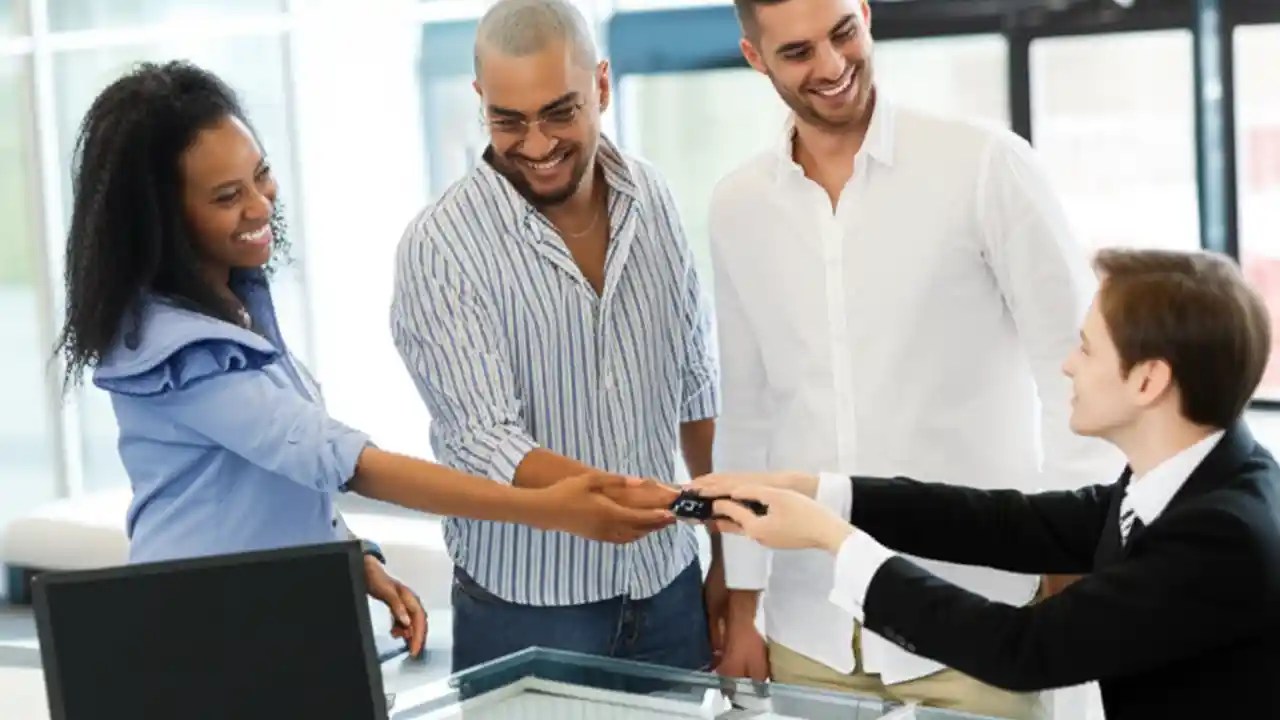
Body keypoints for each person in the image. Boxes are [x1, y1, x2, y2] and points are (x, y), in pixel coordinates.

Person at [54, 61, 676, 661]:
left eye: (261, 174)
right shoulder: (173, 350)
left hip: (276, 618)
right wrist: (551, 510)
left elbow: (274, 481)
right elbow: (340, 460)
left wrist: (352, 556)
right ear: (164, 219)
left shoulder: (232, 304)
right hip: (201, 634)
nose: (261, 205)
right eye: (227, 196)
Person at [707, 0, 1122, 716]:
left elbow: (1078, 372)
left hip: (976, 619)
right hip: (812, 630)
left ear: (866, 13)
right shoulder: (736, 206)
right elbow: (748, 410)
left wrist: (1071, 565)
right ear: (755, 57)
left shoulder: (986, 165)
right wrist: (744, 602)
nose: (833, 67)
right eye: (799, 53)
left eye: (844, 33)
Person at [696, 248, 1280, 719]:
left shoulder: (1221, 534)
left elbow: (1024, 649)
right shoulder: (1195, 474)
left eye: (1086, 347)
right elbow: (1009, 523)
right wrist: (819, 492)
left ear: (1149, 381)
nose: (1068, 366)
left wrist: (833, 541)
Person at [390, 0, 725, 673]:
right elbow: (486, 438)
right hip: (531, 612)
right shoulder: (440, 246)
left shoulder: (651, 197)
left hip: (669, 590)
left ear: (601, 86)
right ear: (480, 99)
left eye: (560, 113)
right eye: (509, 121)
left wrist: (728, 558)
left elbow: (695, 382)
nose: (537, 146)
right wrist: (622, 498)